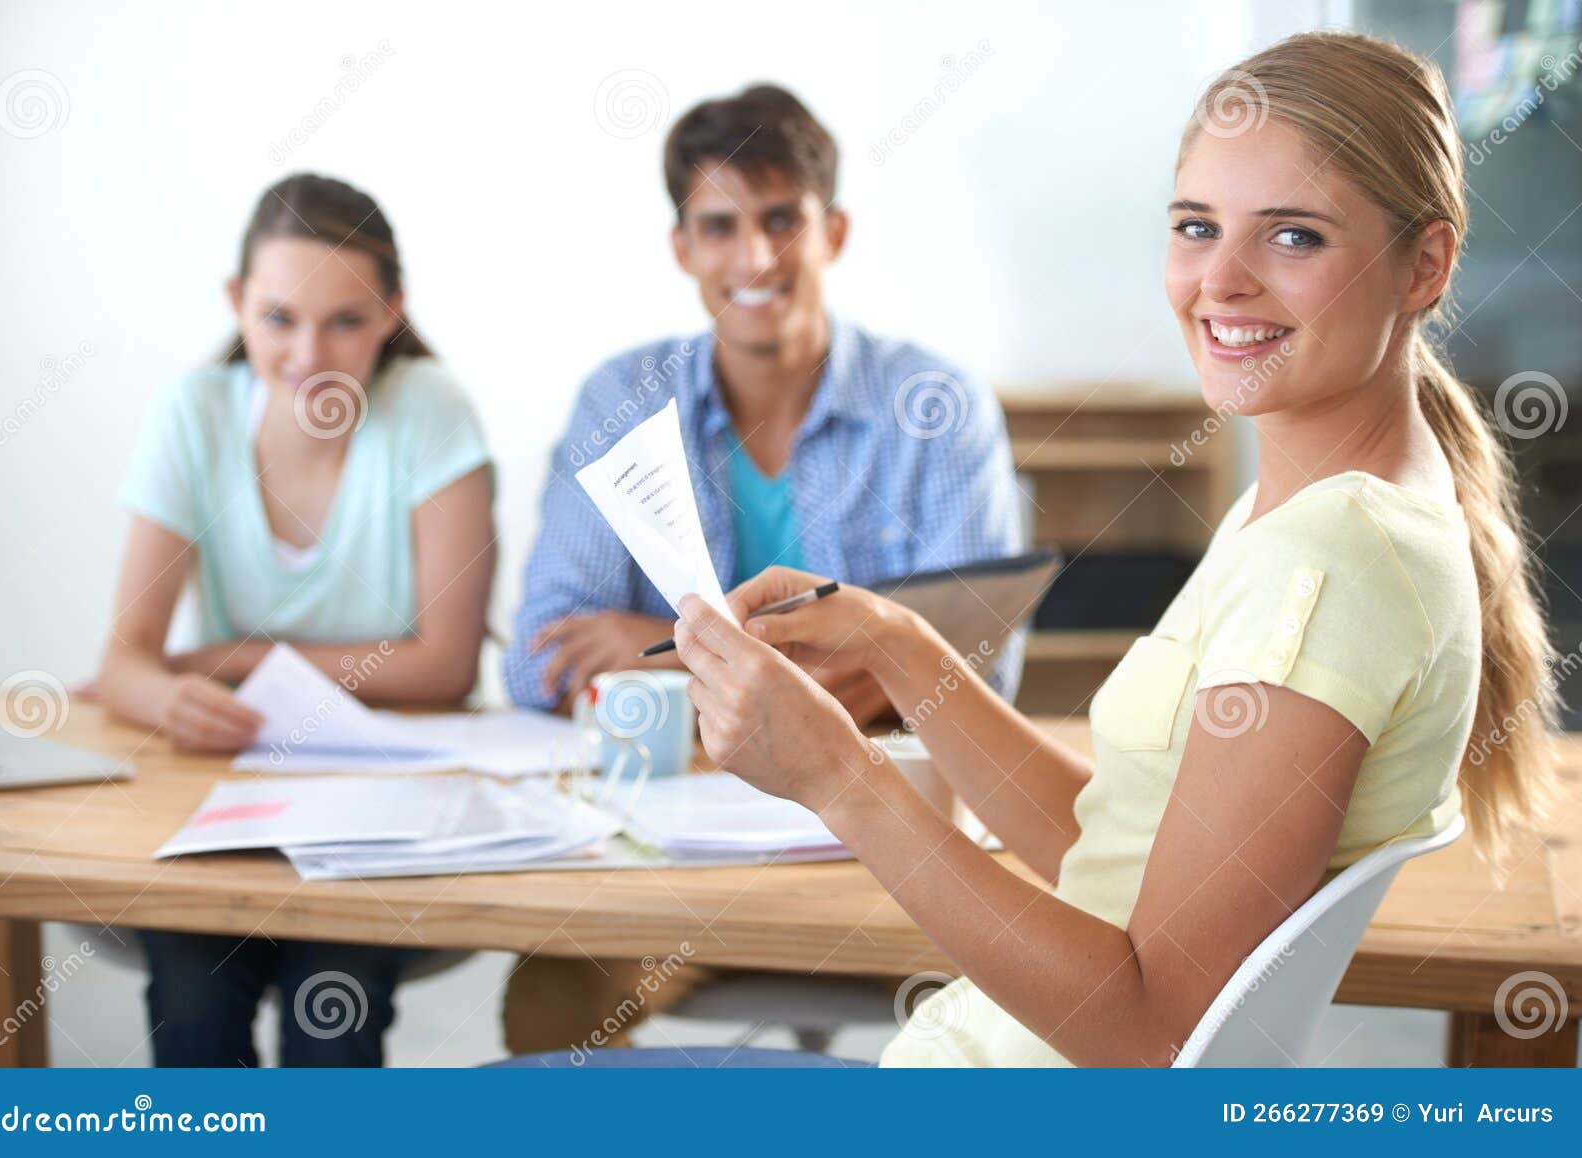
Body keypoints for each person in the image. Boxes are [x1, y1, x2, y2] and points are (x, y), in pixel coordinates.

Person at [502, 30, 1560, 1068]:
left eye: (1293, 237)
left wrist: (838, 774)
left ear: (1424, 264)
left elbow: (1156, 1038)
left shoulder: (1331, 562)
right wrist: (899, 644)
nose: (1221, 281)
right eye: (1196, 226)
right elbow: (1108, 856)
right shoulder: (1314, 523)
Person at [499, 84, 1024, 1054]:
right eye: (721, 225)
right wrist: (854, 666)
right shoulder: (620, 398)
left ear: (833, 229)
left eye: (781, 220)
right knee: (551, 1005)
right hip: (668, 861)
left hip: (892, 855)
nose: (754, 257)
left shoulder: (936, 405)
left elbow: (972, 670)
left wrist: (653, 652)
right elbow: (543, 660)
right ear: (682, 248)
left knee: (1024, 1017)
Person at [98, 173, 496, 1066]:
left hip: (382, 804)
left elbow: (444, 665)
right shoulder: (192, 414)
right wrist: (170, 699)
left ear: (393, 311)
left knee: (334, 1027)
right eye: (279, 318)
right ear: (238, 303)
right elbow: (122, 661)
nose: (310, 352)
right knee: (193, 1013)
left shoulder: (429, 410)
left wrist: (236, 656)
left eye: (345, 321)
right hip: (234, 795)